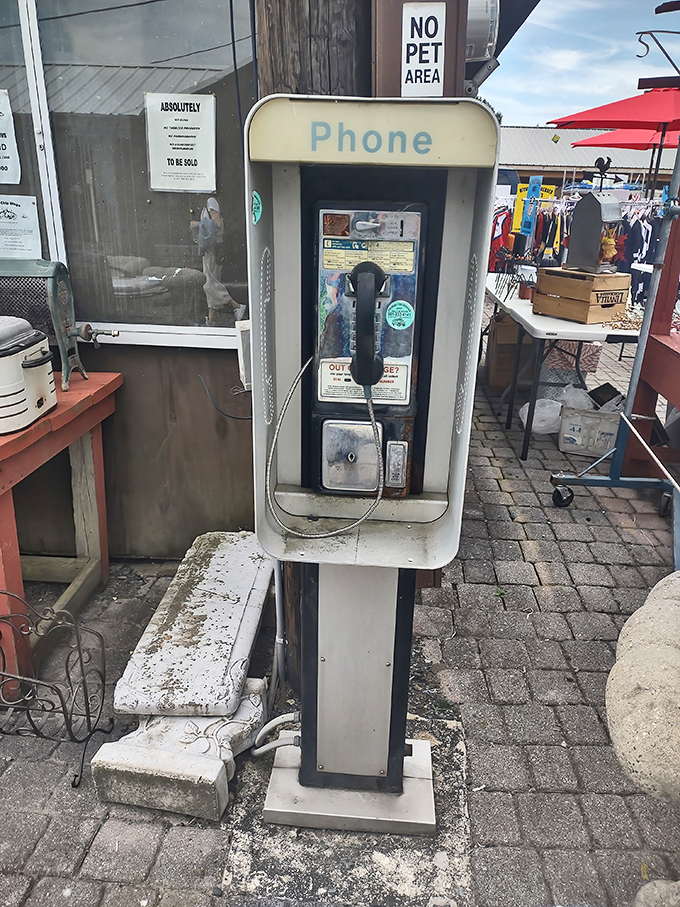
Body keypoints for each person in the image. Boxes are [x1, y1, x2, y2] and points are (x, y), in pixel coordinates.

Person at [191, 197, 246, 324]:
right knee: (211, 280)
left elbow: (217, 223)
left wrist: (197, 224)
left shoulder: (211, 202)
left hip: (212, 249)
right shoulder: (208, 204)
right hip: (210, 249)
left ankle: (236, 305)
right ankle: (212, 317)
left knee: (208, 283)